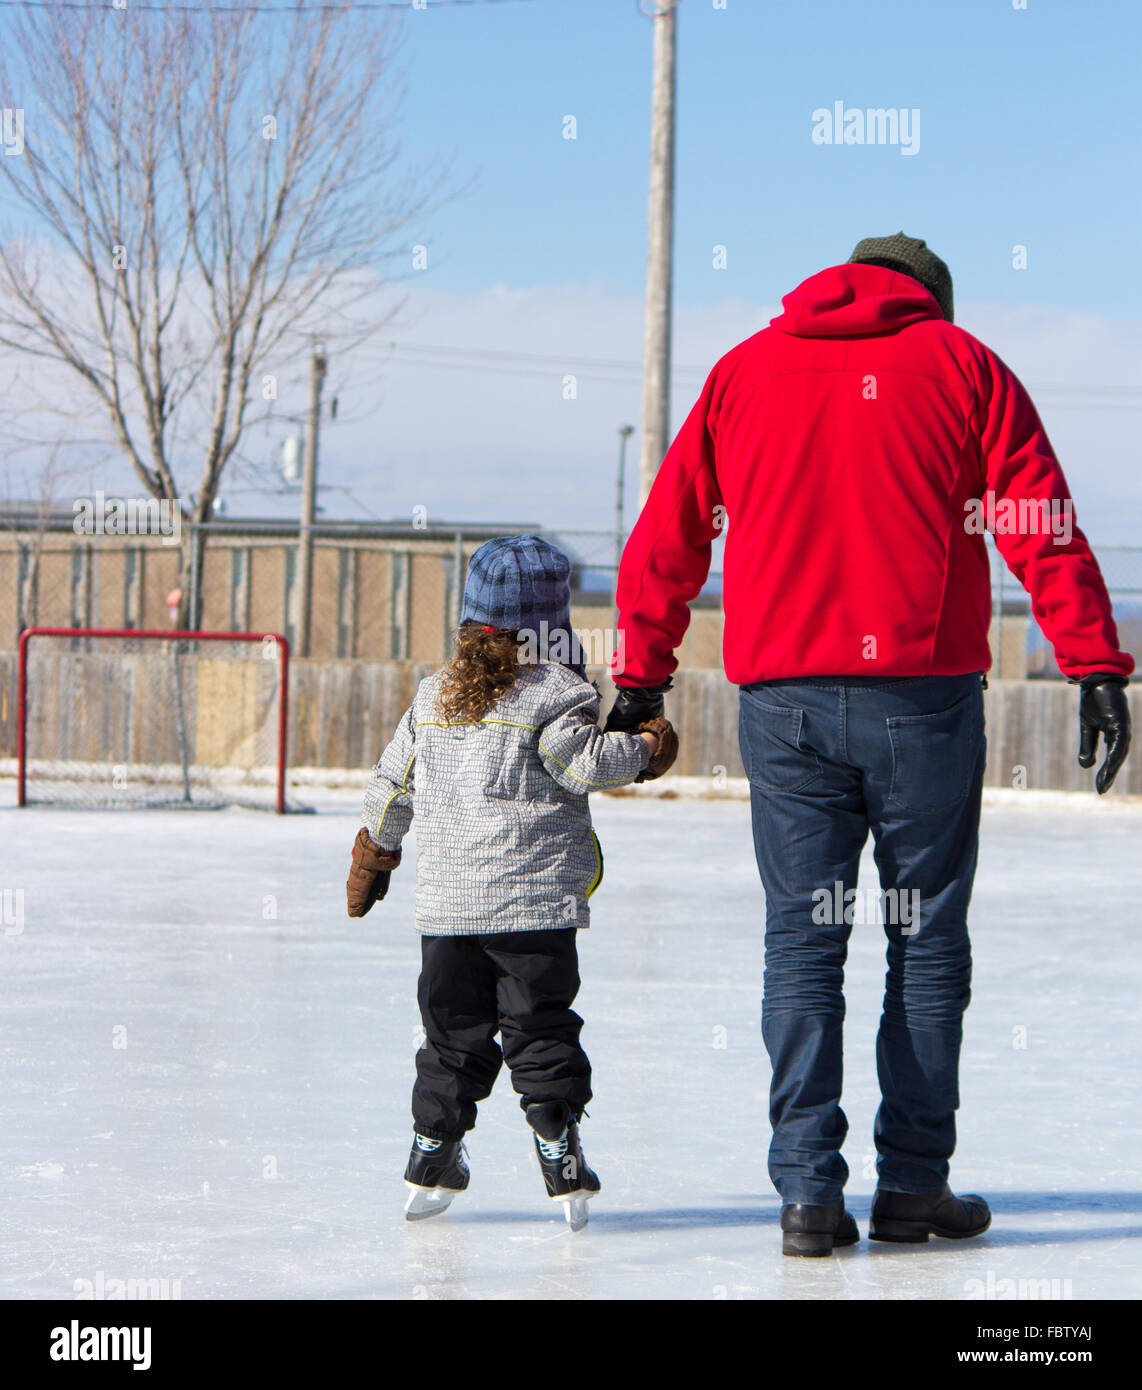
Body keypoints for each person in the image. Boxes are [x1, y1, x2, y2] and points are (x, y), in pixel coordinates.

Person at [605, 233, 1133, 1257]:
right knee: (923, 943)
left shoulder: (742, 369)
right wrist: (1093, 661)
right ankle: (910, 1188)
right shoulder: (965, 366)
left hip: (783, 702)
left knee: (802, 940)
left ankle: (807, 1196)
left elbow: (669, 527)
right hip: (922, 702)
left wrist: (640, 672)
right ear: (929, 300)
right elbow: (1035, 518)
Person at [346, 534, 678, 1230]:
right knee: (539, 1029)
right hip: (532, 911)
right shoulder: (557, 692)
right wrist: (645, 749)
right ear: (551, 627)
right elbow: (584, 765)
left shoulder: (434, 696)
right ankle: (560, 1155)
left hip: (448, 913)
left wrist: (375, 853)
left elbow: (392, 782)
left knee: (451, 1037)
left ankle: (432, 1154)